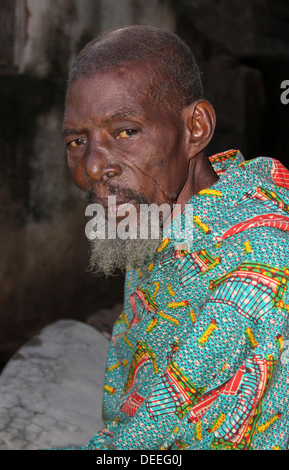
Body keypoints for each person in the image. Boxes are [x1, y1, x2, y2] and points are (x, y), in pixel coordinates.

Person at [61, 25, 289, 450]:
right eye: (77, 141)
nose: (92, 167)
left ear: (195, 129)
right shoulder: (158, 226)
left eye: (125, 131)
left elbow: (151, 448)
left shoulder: (258, 267)